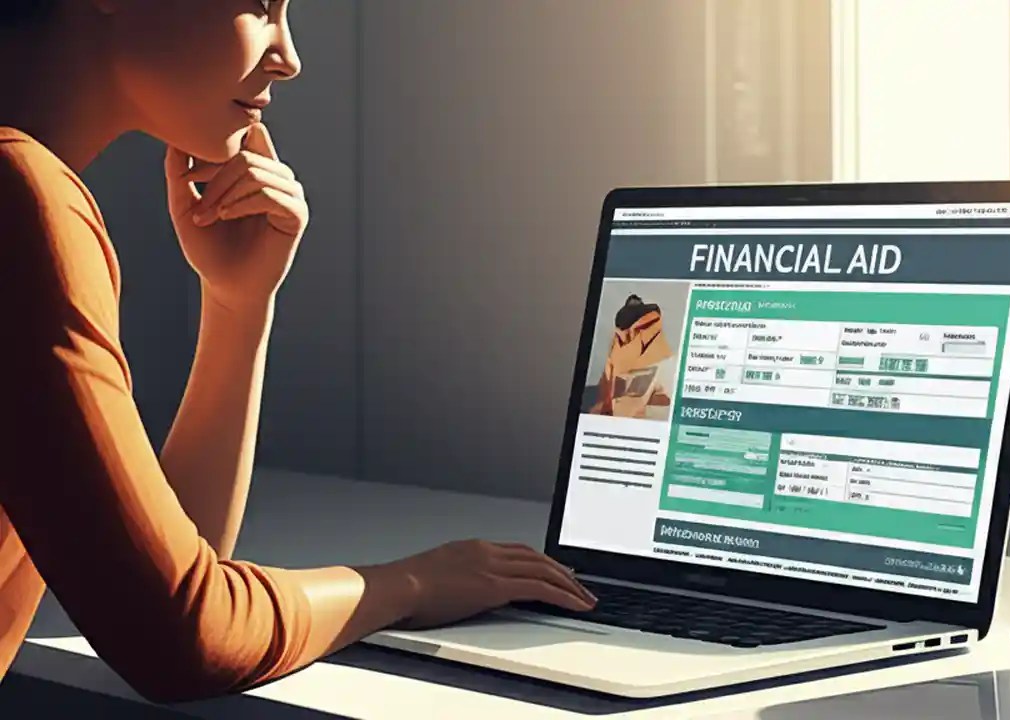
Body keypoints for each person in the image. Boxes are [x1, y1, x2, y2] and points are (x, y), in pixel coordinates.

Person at [0, 0, 594, 704]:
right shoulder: (22, 202)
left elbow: (168, 573)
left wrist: (236, 306)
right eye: (261, 6)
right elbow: (181, 635)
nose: (288, 55)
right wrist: (411, 583)